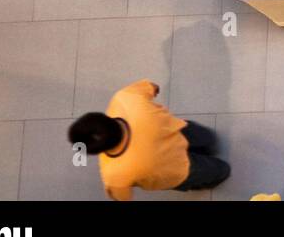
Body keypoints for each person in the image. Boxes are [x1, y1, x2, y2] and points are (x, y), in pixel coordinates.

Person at [68, 79, 230, 201]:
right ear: (104, 116)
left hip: (179, 171)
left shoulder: (114, 175)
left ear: (98, 150)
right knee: (206, 138)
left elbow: (122, 197)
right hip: (180, 132)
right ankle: (209, 146)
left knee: (217, 171)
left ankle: (219, 174)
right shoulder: (124, 99)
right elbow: (152, 87)